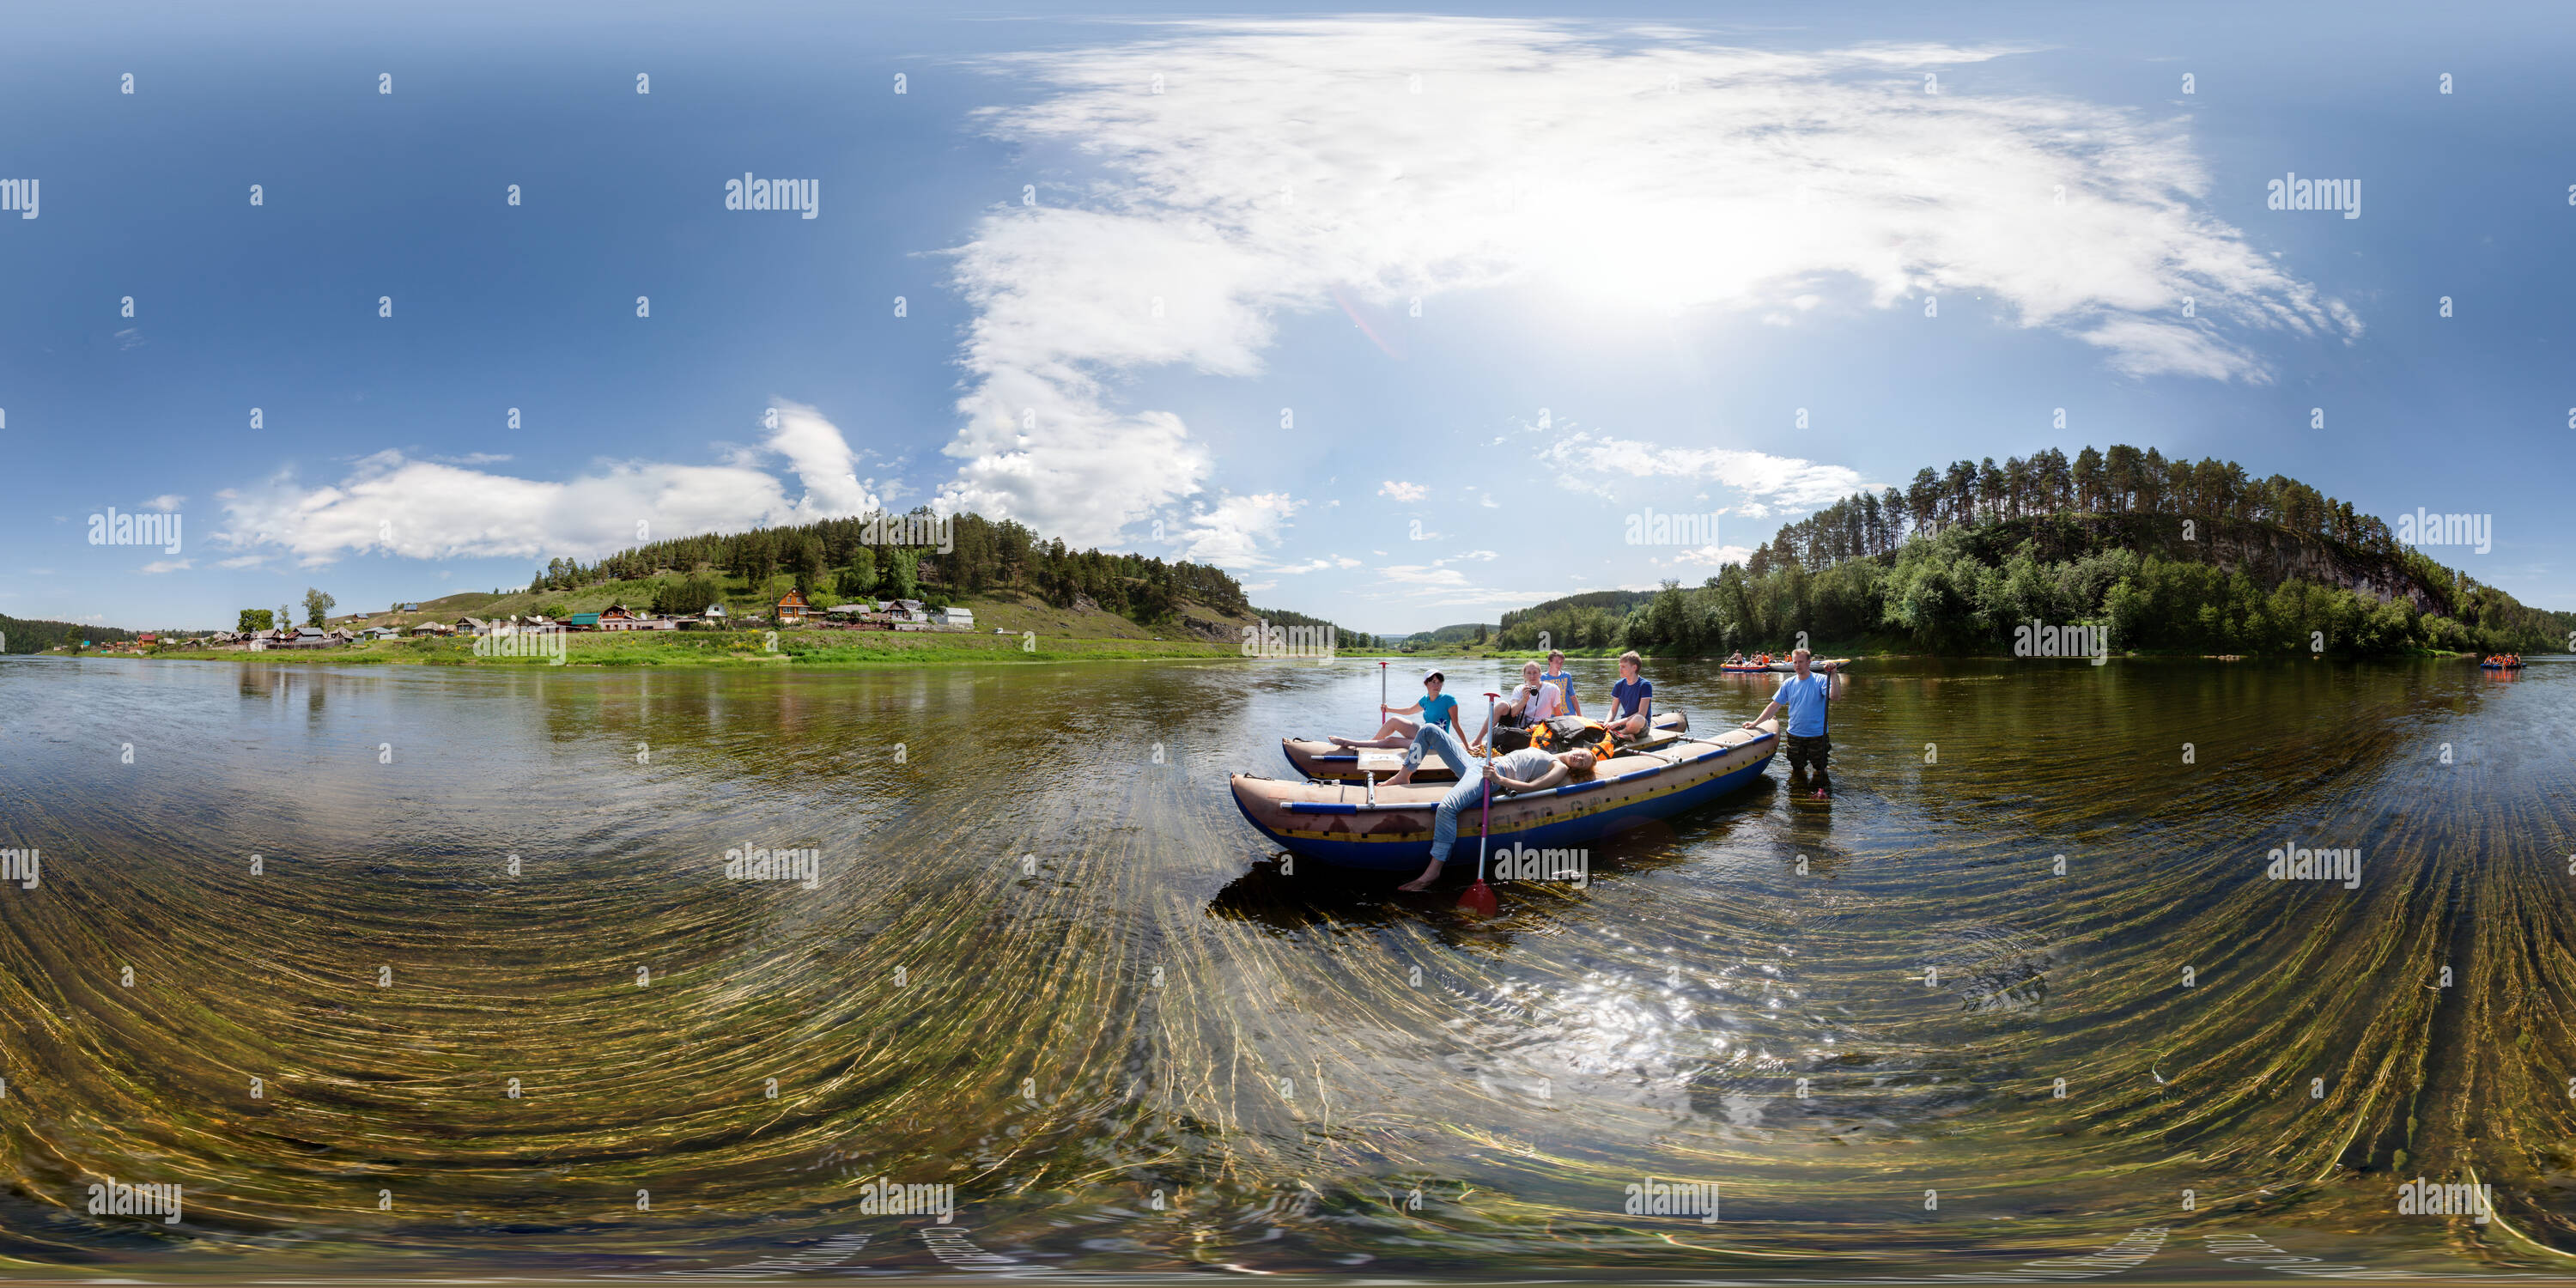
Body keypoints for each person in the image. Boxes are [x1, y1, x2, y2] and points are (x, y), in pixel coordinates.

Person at [1395, 740, 1597, 892]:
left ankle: (1432, 872)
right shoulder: (1548, 750)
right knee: (1430, 729)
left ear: (1575, 769)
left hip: (1490, 774)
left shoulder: (1559, 767)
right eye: (1582, 754)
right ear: (1575, 748)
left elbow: (1531, 788)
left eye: (1582, 763)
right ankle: (1403, 774)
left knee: (1447, 808)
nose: (1579, 759)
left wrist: (1499, 779)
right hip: (1478, 762)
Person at [1744, 647, 1838, 799]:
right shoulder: (1788, 683)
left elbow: (1834, 697)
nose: (1797, 665)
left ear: (1809, 663)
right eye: (1795, 662)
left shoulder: (1821, 680)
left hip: (1817, 735)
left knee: (1820, 769)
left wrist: (1833, 675)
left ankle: (1820, 793)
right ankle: (1799, 795)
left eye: (1801, 662)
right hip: (1795, 735)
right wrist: (1755, 723)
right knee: (1797, 768)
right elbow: (1773, 706)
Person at [1331, 669, 1461, 750]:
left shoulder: (1448, 699)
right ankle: (1370, 744)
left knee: (1391, 741)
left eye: (1439, 682)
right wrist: (1389, 710)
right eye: (1433, 681)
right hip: (1425, 733)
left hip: (1436, 742)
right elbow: (1410, 711)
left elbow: (1456, 724)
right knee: (1394, 720)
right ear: (1426, 683)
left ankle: (1348, 742)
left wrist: (1467, 746)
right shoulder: (1425, 699)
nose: (1436, 685)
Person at [1473, 660, 1563, 752]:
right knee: (1502, 705)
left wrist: (1561, 733)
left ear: (1540, 674)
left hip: (1538, 727)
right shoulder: (1519, 689)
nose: (1532, 676)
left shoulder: (1553, 689)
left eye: (1535, 673)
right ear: (1524, 676)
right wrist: (1524, 699)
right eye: (1529, 673)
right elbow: (1513, 713)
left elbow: (1557, 713)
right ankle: (1478, 740)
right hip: (1518, 724)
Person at [1606, 650, 1653, 740]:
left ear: (1634, 667)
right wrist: (1607, 723)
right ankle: (1623, 735)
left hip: (1640, 726)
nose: (1620, 669)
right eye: (1620, 666)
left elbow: (1641, 714)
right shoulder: (1619, 685)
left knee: (1638, 719)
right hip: (1625, 723)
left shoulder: (1645, 685)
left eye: (1623, 667)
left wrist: (1617, 723)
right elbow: (1613, 710)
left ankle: (1616, 735)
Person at [1540, 649, 1583, 717]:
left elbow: (1573, 697)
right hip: (1551, 717)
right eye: (1556, 662)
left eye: (1561, 662)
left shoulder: (1567, 676)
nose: (1559, 665)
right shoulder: (1542, 678)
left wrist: (1580, 716)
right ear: (1550, 661)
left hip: (1569, 715)